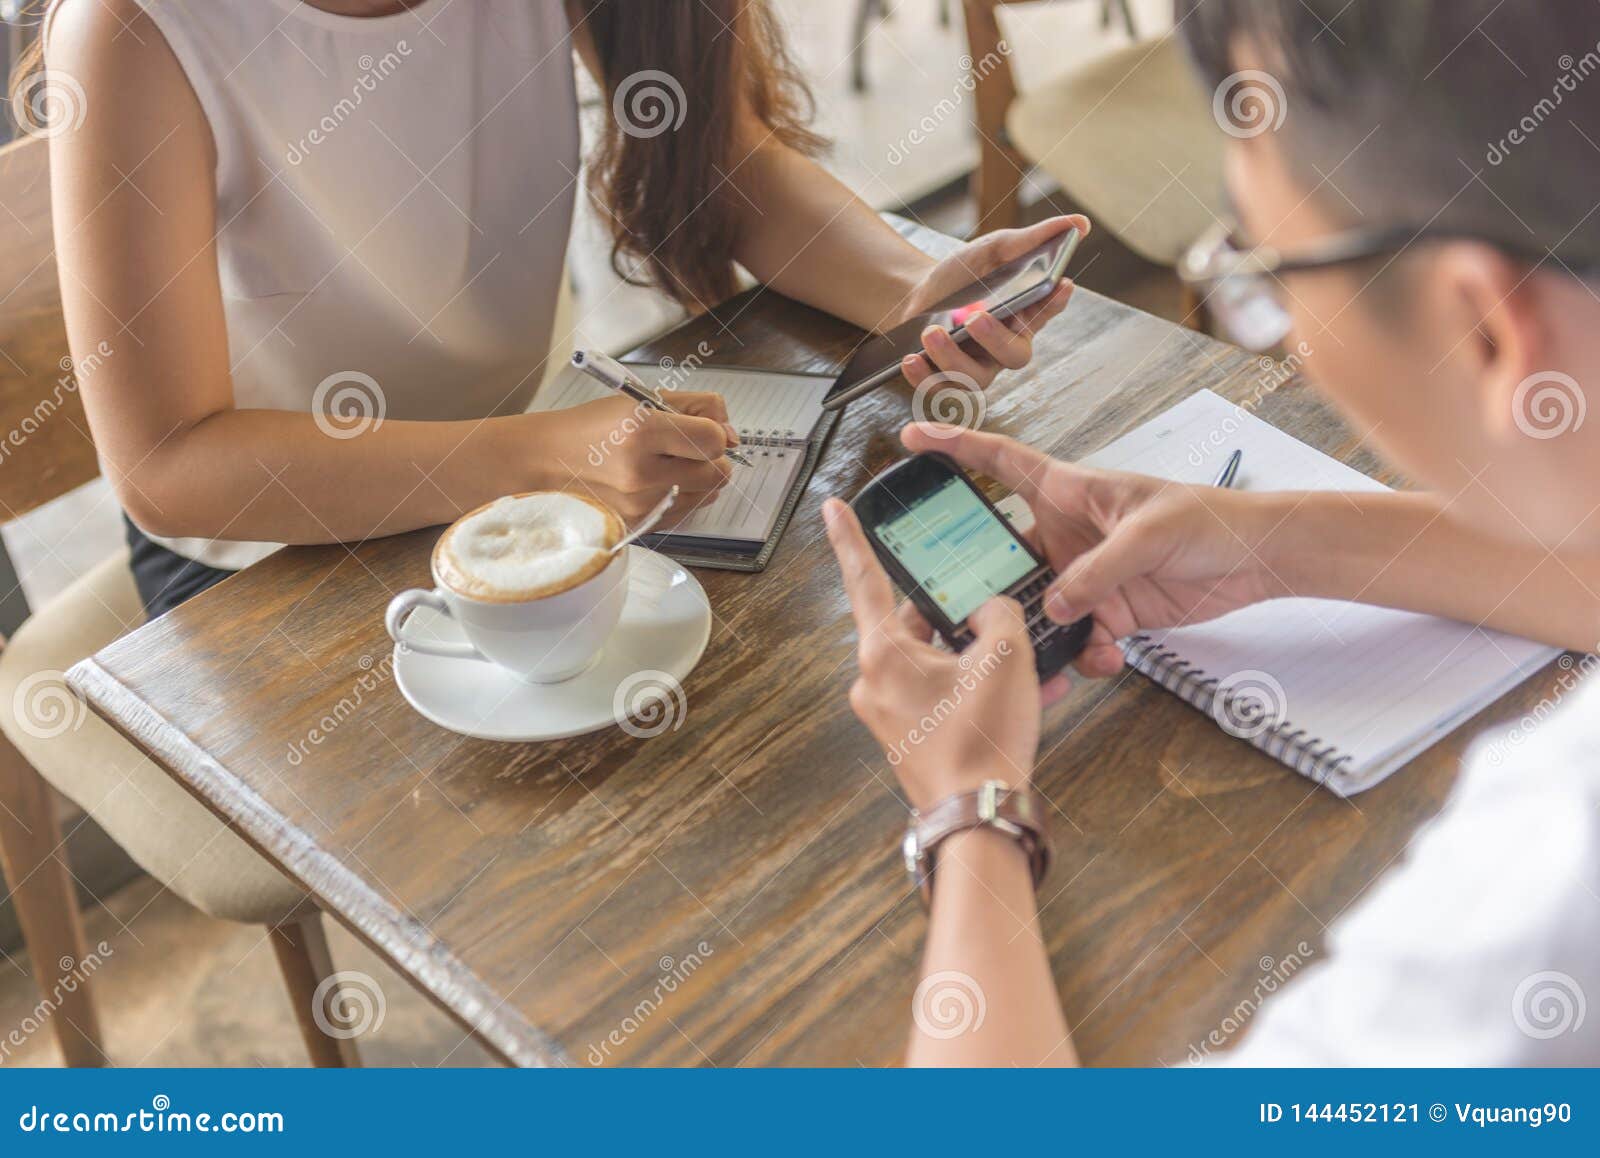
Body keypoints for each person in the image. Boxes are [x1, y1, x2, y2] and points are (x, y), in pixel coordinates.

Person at [824, 0, 1600, 1065]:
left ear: (1482, 326)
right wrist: (1271, 541)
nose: (1279, 326)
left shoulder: (1550, 880)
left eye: (1263, 270)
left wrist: (970, 811)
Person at [32, 0, 1075, 616]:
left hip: (529, 461)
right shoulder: (134, 31)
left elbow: (719, 161)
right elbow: (171, 467)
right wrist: (546, 455)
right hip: (271, 554)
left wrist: (906, 294)